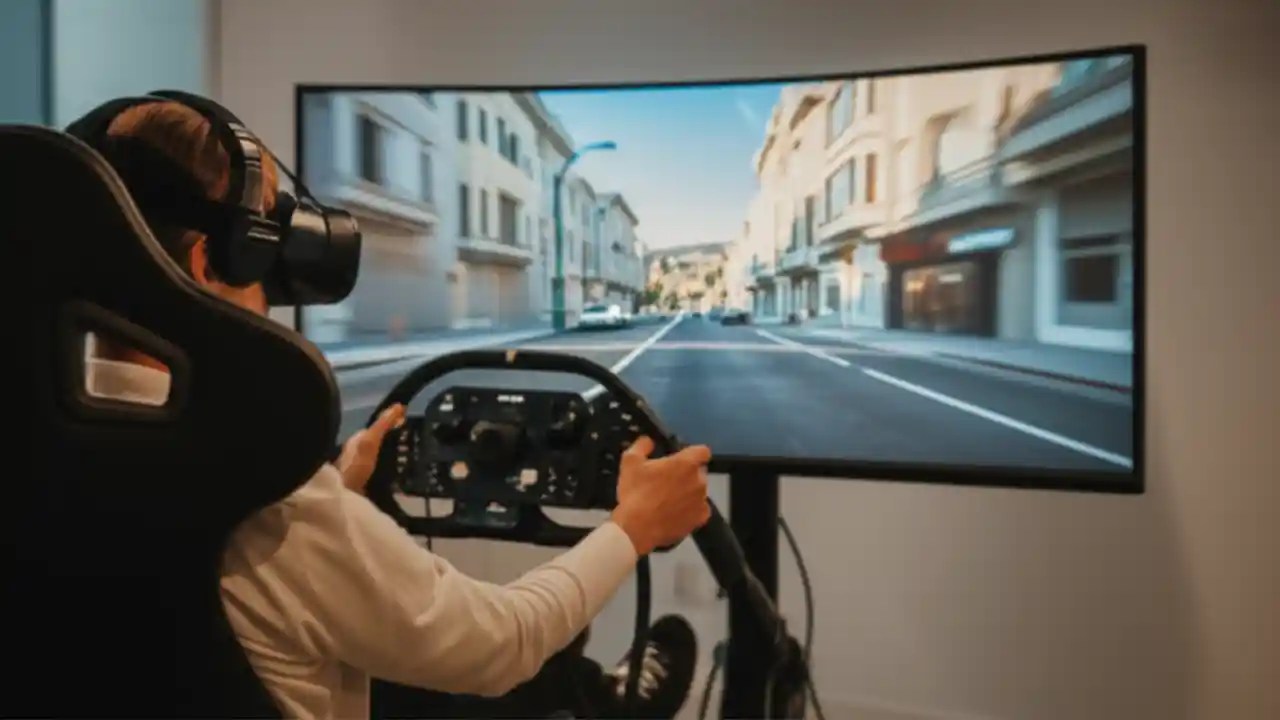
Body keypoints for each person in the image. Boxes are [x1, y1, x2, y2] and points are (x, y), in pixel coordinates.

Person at [89, 100, 712, 719]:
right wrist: (635, 525)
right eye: (266, 233)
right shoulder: (263, 498)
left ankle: (587, 689)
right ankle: (598, 699)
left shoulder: (38, 439)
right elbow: (503, 642)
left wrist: (337, 490)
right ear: (209, 263)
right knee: (526, 657)